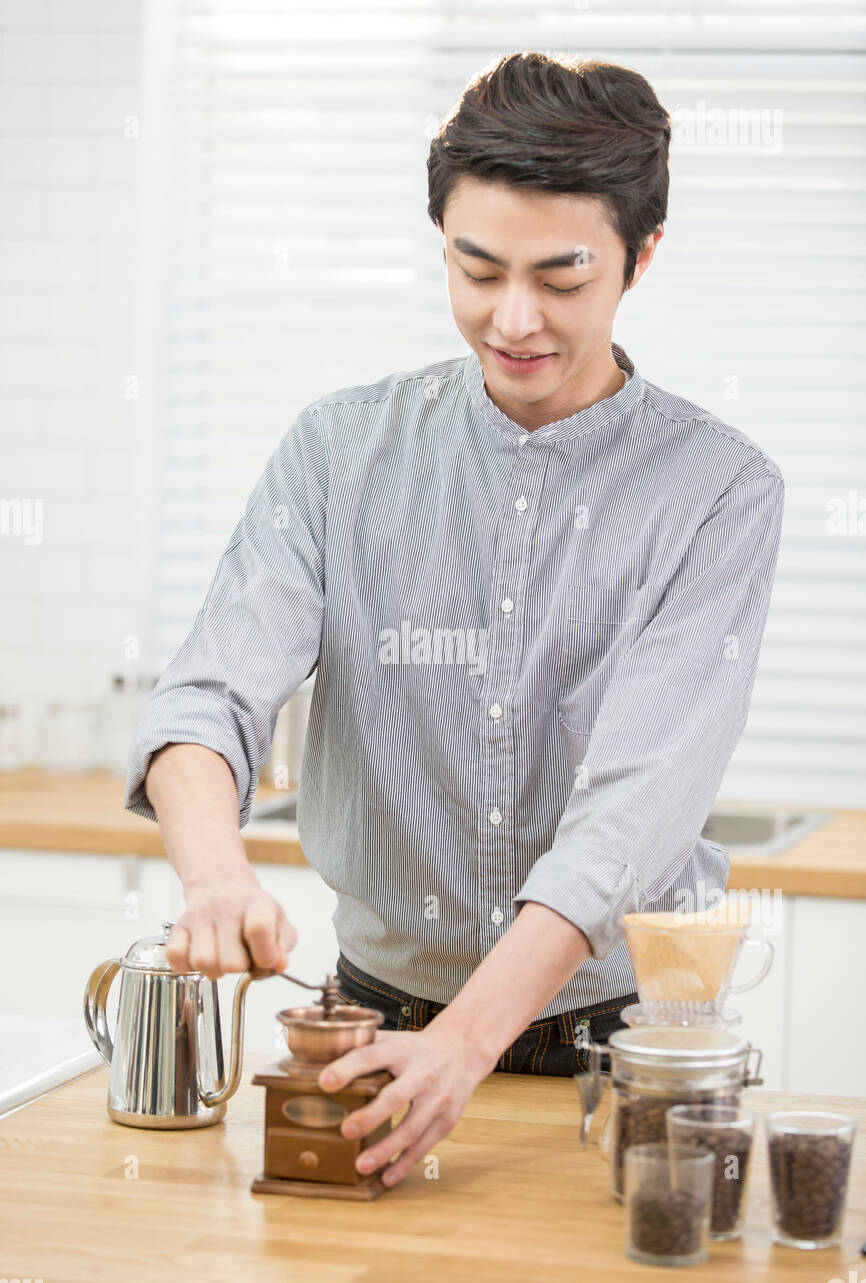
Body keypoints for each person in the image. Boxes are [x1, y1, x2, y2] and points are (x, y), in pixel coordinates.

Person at [125, 52, 784, 1189]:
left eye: (560, 277)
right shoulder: (339, 452)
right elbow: (209, 695)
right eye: (474, 269)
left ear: (641, 257)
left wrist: (467, 1040)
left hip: (618, 1047)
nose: (512, 317)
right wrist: (213, 875)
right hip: (369, 1026)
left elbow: (633, 812)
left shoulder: (718, 491)